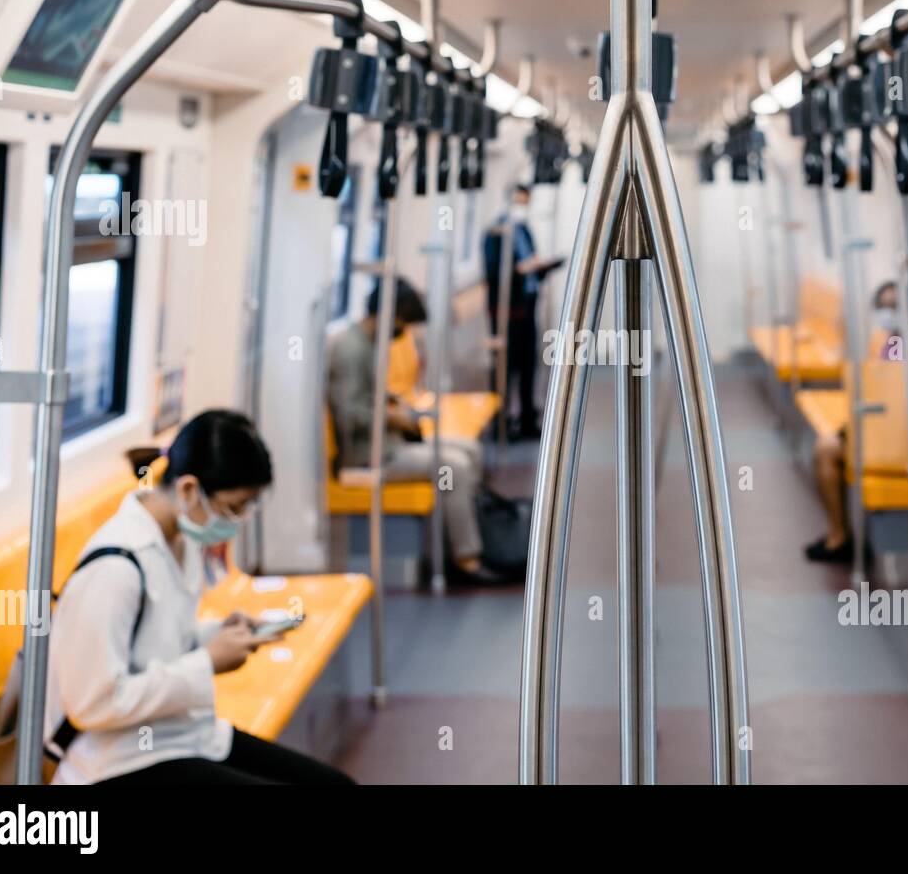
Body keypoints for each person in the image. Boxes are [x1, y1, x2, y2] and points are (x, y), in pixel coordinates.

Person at [44, 410, 354, 784]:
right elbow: (93, 704)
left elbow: (157, 646)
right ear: (189, 489)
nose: (236, 521)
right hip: (118, 760)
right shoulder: (115, 568)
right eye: (233, 508)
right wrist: (207, 662)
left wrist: (219, 634)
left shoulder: (181, 540)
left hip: (183, 735)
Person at [327, 278, 504, 586]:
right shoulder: (349, 350)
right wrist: (394, 419)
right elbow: (348, 414)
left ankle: (460, 535)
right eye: (404, 323)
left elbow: (367, 398)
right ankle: (466, 557)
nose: (404, 331)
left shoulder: (367, 343)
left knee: (470, 450)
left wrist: (394, 406)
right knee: (454, 467)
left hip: (388, 443)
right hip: (370, 456)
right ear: (391, 315)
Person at [804, 281, 908, 565]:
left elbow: (903, 405)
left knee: (825, 451)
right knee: (829, 444)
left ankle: (839, 537)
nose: (887, 312)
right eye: (883, 306)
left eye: (894, 306)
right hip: (894, 431)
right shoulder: (896, 341)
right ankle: (841, 533)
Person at [483, 184, 564, 441]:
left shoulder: (524, 231)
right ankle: (501, 423)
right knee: (505, 368)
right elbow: (495, 272)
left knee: (529, 364)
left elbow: (532, 262)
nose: (522, 207)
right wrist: (521, 269)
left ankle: (528, 418)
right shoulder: (494, 235)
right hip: (506, 311)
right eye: (519, 201)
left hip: (527, 307)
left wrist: (542, 266)